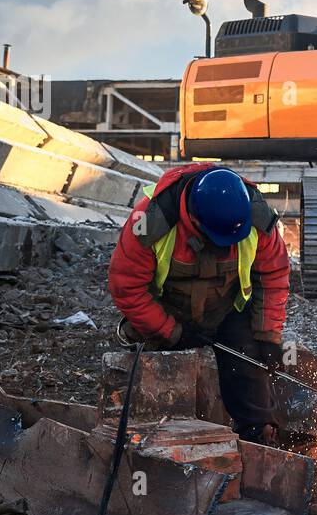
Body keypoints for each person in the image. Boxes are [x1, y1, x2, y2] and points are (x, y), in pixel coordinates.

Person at [107, 163, 290, 443]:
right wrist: (172, 331)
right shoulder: (151, 221)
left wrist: (268, 336)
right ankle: (153, 439)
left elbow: (273, 275)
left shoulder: (256, 215)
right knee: (159, 381)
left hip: (227, 310)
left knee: (247, 365)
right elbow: (127, 288)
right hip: (168, 312)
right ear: (194, 217)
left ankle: (257, 439)